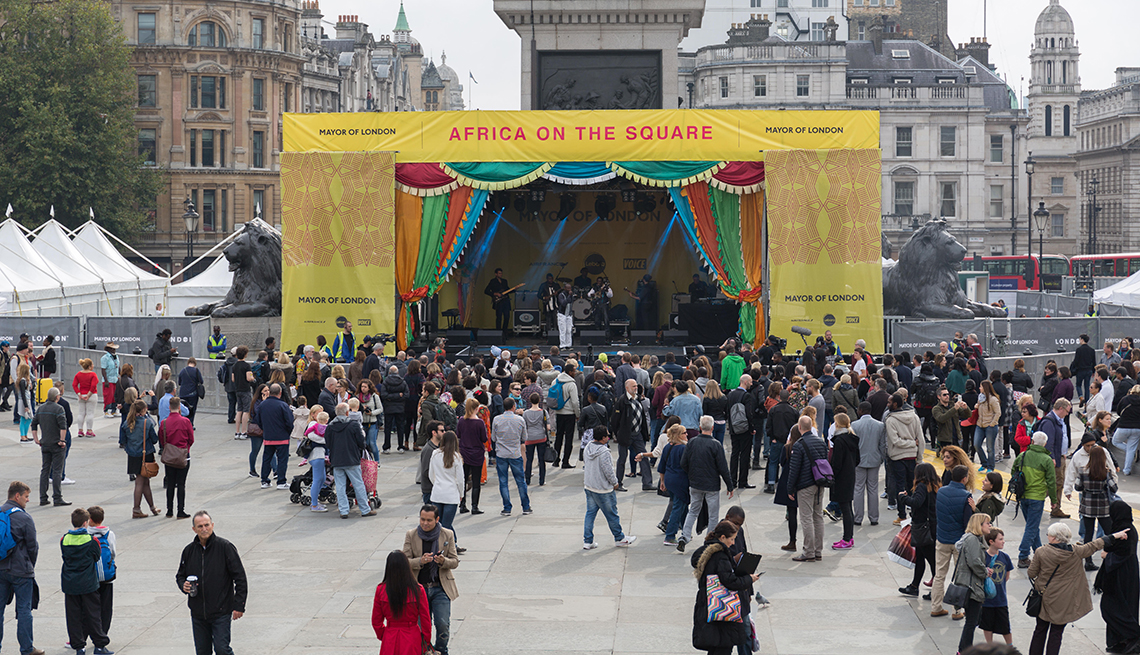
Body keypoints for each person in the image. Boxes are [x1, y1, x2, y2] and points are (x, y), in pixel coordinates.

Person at [1028, 522, 1127, 655]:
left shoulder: (1041, 552)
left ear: (1054, 538)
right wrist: (1115, 536)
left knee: (1040, 629)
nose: (1048, 537)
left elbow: (1031, 573)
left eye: (1049, 535)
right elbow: (1095, 545)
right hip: (1065, 600)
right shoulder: (1077, 552)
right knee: (1056, 633)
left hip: (1045, 597)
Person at [176, 511, 248, 655]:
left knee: (222, 649)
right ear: (194, 529)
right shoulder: (189, 551)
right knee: (202, 652)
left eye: (207, 525)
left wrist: (239, 604)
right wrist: (183, 585)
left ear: (212, 525)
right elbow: (180, 575)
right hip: (198, 613)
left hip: (221, 611)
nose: (204, 529)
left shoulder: (225, 547)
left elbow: (240, 577)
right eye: (200, 526)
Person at [690, 520, 760, 655]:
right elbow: (729, 581)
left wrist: (732, 562)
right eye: (732, 539)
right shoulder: (721, 555)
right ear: (722, 538)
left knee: (714, 647)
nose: (733, 543)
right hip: (722, 611)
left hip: (707, 606)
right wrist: (749, 579)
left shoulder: (707, 551)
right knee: (723, 647)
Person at [402, 506, 458, 655]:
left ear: (437, 519)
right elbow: (404, 561)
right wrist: (420, 561)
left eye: (429, 520)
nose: (425, 523)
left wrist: (443, 561)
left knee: (443, 625)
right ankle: (424, 651)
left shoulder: (447, 534)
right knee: (419, 628)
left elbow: (455, 561)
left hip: (440, 587)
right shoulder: (411, 535)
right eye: (422, 519)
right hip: (419, 589)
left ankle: (440, 650)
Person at [60, 507, 112, 655]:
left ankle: (79, 647)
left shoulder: (64, 539)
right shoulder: (91, 540)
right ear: (85, 523)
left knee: (73, 616)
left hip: (70, 583)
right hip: (88, 583)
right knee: (93, 614)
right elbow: (96, 557)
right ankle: (99, 646)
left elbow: (65, 557)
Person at [0, 481, 43, 655]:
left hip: (0, 569)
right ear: (17, 496)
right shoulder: (24, 517)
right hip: (21, 570)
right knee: (24, 610)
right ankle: (26, 649)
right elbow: (33, 546)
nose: (27, 500)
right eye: (26, 497)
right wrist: (30, 565)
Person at [1095, 500, 1140, 654]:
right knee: (1121, 607)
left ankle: (1134, 635)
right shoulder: (1122, 527)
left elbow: (1125, 553)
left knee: (1114, 608)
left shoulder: (1126, 530)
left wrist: (1107, 555)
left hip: (1122, 576)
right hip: (1125, 574)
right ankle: (1118, 641)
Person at [582, 426, 636, 549]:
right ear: (602, 438)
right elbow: (608, 471)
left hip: (590, 486)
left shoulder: (588, 447)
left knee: (590, 514)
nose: (609, 437)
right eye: (607, 435)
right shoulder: (604, 452)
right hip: (603, 489)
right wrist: (615, 483)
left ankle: (588, 541)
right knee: (612, 514)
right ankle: (619, 538)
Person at [931, 465, 974, 619]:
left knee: (939, 575)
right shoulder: (966, 496)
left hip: (942, 539)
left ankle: (936, 607)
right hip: (958, 542)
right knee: (959, 576)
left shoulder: (941, 492)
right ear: (964, 478)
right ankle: (957, 610)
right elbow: (968, 523)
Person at [1013, 432, 1059, 569]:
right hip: (1037, 497)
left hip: (1023, 496)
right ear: (1045, 444)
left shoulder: (1022, 456)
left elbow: (1013, 472)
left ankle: (1039, 551)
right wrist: (1053, 500)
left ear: (1032, 442)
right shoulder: (1046, 460)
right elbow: (1052, 482)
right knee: (1032, 527)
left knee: (1032, 526)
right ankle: (1023, 556)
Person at [325, 402, 375, 518]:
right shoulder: (353, 425)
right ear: (347, 413)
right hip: (352, 458)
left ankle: (343, 510)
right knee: (358, 484)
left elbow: (328, 443)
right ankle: (364, 509)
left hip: (337, 459)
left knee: (340, 486)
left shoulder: (330, 427)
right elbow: (361, 442)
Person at [953, 513, 993, 653]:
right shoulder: (973, 540)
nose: (990, 525)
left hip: (972, 585)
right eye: (987, 523)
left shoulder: (975, 539)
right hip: (972, 586)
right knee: (971, 622)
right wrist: (985, 572)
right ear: (979, 525)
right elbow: (974, 562)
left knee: (973, 621)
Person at [898, 462, 940, 597]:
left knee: (931, 560)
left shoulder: (922, 486)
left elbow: (916, 502)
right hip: (930, 527)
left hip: (922, 528)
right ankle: (914, 586)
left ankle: (937, 590)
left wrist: (903, 497)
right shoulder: (934, 487)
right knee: (921, 558)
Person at [1074, 445, 1117, 571]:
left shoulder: (1083, 471)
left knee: (1088, 533)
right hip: (1103, 506)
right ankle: (1109, 556)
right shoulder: (1106, 472)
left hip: (1087, 505)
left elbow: (1077, 487)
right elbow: (1114, 488)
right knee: (1109, 532)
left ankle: (1088, 561)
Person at [884, 393, 921, 526]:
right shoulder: (914, 417)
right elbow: (920, 439)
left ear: (895, 404)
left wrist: (910, 443)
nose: (887, 404)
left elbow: (895, 441)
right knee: (912, 485)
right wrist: (918, 453)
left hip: (897, 457)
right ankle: (914, 514)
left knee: (900, 485)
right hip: (912, 456)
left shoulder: (890, 420)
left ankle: (902, 515)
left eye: (889, 402)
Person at [491, 397, 531, 516]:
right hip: (515, 453)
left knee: (503, 481)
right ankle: (526, 506)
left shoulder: (497, 419)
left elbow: (493, 437)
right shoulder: (519, 420)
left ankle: (507, 507)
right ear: (514, 407)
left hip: (501, 453)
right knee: (520, 481)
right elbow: (524, 437)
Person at [31, 387, 70, 507]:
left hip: (45, 444)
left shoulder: (41, 408)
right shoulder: (59, 409)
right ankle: (57, 498)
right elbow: (63, 426)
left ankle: (43, 497)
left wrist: (37, 439)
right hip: (56, 444)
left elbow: (34, 424)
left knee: (45, 470)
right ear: (57, 397)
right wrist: (62, 440)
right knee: (57, 471)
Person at [428, 431, 466, 553]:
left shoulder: (435, 454)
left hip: (437, 493)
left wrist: (437, 484)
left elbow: (430, 474)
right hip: (451, 495)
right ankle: (447, 547)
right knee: (446, 525)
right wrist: (461, 494)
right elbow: (460, 479)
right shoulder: (456, 457)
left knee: (440, 524)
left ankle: (452, 544)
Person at [852, 402, 886, 527]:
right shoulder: (879, 425)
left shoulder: (854, 425)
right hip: (874, 459)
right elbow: (882, 444)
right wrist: (881, 458)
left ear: (860, 410)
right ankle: (874, 517)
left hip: (859, 461)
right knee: (873, 489)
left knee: (858, 488)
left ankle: (858, 517)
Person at [159, 398, 194, 519]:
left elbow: (162, 439)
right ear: (179, 407)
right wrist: (186, 448)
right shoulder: (186, 421)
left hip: (169, 456)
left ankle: (169, 510)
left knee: (170, 483)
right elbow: (191, 439)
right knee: (181, 484)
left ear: (169, 407)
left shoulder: (164, 422)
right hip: (183, 455)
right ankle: (181, 510)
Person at [829, 413, 859, 549]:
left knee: (845, 508)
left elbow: (836, 463)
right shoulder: (852, 438)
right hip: (850, 475)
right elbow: (858, 459)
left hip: (841, 477)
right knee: (848, 507)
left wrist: (831, 475)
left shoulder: (840, 441)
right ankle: (849, 537)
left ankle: (847, 539)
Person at [1037, 399, 1072, 519]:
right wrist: (1052, 457)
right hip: (1055, 458)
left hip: (1060, 456)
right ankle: (1036, 499)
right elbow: (1048, 442)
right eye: (1067, 411)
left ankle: (1056, 508)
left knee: (1059, 483)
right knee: (1056, 482)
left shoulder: (1059, 420)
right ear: (1061, 408)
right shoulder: (1050, 422)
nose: (1068, 413)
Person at [85, 506, 115, 637]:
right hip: (107, 576)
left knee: (90, 607)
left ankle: (90, 632)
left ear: (89, 520)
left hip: (91, 577)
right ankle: (103, 633)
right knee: (106, 607)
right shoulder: (110, 534)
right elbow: (113, 552)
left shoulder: (86, 534)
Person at [257, 384, 294, 490]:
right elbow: (289, 422)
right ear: (280, 392)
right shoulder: (283, 405)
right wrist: (287, 432)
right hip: (282, 437)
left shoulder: (262, 405)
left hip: (268, 437)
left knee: (266, 458)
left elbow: (258, 420)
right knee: (282, 459)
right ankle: (281, 481)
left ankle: (264, 480)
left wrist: (265, 430)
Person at [658, 424, 690, 547]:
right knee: (678, 507)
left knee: (682, 506)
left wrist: (662, 481)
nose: (687, 434)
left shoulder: (668, 447)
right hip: (680, 481)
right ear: (678, 435)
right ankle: (670, 535)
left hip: (670, 480)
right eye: (684, 433)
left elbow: (662, 466)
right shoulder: (683, 449)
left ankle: (686, 532)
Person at [722, 375, 756, 489]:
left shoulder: (730, 394)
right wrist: (752, 428)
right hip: (744, 429)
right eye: (750, 382)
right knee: (745, 455)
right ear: (745, 382)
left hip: (733, 428)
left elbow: (727, 411)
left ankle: (732, 480)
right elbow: (748, 413)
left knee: (734, 453)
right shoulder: (746, 396)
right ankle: (743, 481)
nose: (751, 384)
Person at [551, 361, 581, 469]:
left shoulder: (555, 381)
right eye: (574, 371)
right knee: (569, 438)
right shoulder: (571, 384)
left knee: (558, 436)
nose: (575, 372)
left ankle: (556, 459)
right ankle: (565, 461)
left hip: (558, 412)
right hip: (569, 413)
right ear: (569, 372)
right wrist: (578, 414)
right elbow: (575, 402)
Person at [1112, 385, 1140, 476]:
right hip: (1137, 427)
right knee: (1131, 448)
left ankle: (1130, 451)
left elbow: (1119, 411)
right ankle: (1126, 470)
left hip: (1123, 426)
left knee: (1115, 441)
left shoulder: (1125, 399)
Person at [522, 393, 549, 486]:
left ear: (530, 400)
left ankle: (528, 479)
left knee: (529, 459)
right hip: (541, 437)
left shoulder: (525, 413)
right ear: (539, 401)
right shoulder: (544, 412)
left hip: (529, 438)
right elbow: (548, 427)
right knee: (541, 459)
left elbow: (524, 426)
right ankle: (542, 480)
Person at [975, 380, 1002, 473]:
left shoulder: (993, 399)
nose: (979, 388)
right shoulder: (980, 398)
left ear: (985, 388)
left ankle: (990, 466)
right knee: (976, 444)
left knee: (990, 448)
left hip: (990, 426)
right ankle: (984, 463)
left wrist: (993, 423)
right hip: (980, 425)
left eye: (981, 386)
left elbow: (998, 412)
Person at [380, 366, 409, 453]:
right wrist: (398, 396)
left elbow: (384, 395)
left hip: (388, 408)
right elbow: (406, 395)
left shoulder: (386, 382)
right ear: (397, 372)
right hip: (400, 407)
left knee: (387, 428)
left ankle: (387, 446)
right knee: (400, 427)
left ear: (389, 372)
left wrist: (390, 397)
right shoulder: (403, 382)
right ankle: (400, 446)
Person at [72, 358, 100, 438]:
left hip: (81, 395)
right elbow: (93, 385)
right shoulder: (93, 375)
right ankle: (89, 430)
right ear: (90, 366)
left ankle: (80, 430)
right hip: (91, 395)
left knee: (81, 413)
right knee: (90, 413)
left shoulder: (78, 374)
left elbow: (74, 385)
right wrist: (89, 394)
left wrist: (79, 394)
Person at [231, 346, 254, 440]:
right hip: (245, 389)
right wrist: (253, 378)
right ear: (245, 354)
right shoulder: (246, 366)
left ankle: (237, 432)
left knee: (239, 410)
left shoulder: (234, 365)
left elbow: (233, 379)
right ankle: (244, 431)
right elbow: (249, 378)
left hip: (237, 389)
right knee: (246, 411)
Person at [484, 268, 512, 336]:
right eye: (499, 273)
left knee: (507, 317)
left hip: (505, 300)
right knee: (499, 317)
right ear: (496, 274)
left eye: (501, 273)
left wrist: (514, 289)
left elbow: (508, 290)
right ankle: (498, 333)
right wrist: (495, 294)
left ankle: (505, 332)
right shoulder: (493, 281)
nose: (500, 275)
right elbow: (486, 291)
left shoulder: (504, 281)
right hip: (499, 302)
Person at [177, 358, 205, 424]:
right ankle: (190, 423)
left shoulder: (183, 370)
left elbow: (179, 382)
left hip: (183, 393)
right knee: (192, 409)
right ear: (195, 363)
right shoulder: (196, 371)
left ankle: (183, 423)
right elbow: (201, 381)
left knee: (183, 409)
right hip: (193, 393)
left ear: (188, 362)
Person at [99, 342, 120, 419]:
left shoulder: (116, 357)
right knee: (108, 395)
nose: (114, 350)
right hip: (108, 379)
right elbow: (103, 369)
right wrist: (106, 380)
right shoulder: (105, 358)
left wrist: (120, 375)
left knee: (115, 395)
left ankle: (114, 409)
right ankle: (107, 410)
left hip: (115, 379)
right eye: (112, 349)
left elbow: (118, 367)